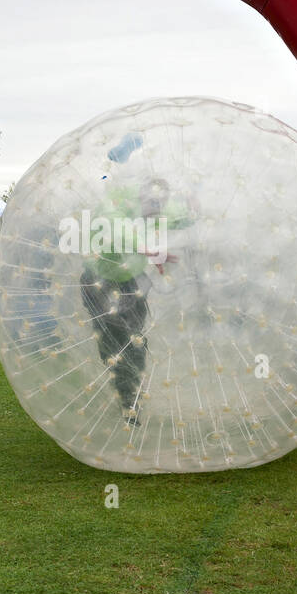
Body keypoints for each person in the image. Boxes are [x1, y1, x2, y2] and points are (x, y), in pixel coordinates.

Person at [79, 176, 192, 423]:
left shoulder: (156, 215)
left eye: (162, 202)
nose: (157, 207)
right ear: (140, 197)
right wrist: (144, 248)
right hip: (99, 281)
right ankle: (125, 393)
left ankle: (131, 397)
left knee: (134, 339)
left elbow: (183, 220)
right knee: (113, 338)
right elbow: (116, 228)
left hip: (130, 282)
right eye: (152, 201)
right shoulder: (115, 206)